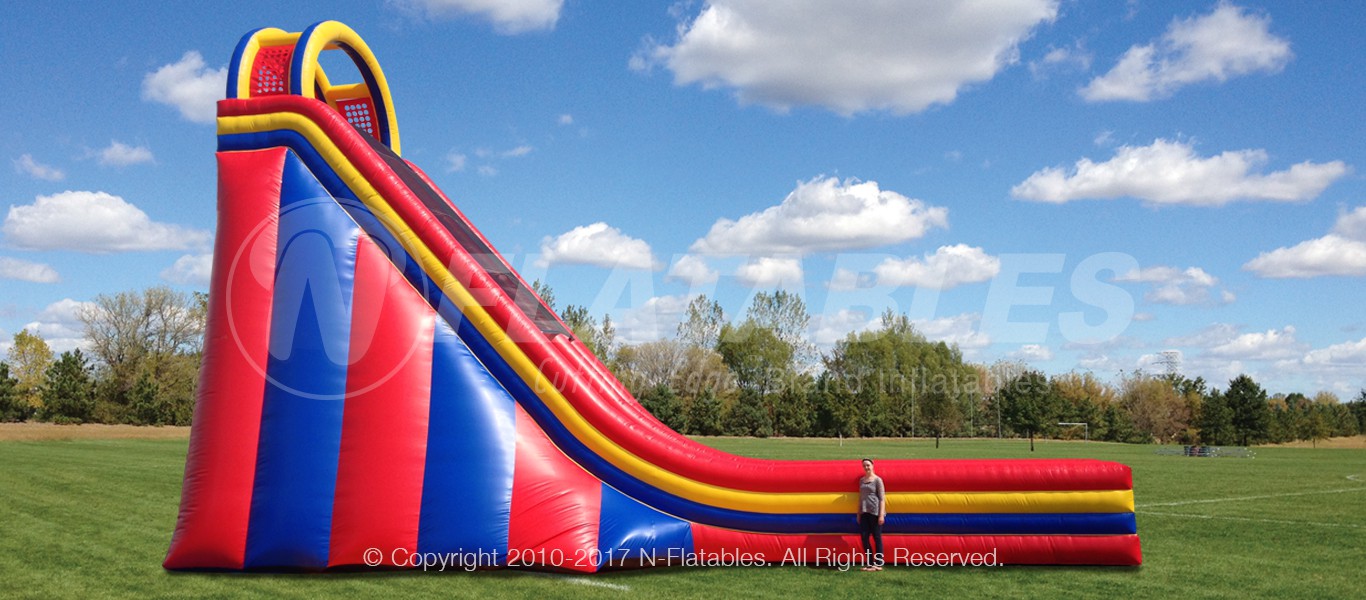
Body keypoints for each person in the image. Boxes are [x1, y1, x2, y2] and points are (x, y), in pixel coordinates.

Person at [857, 457, 886, 571]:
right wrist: (858, 512)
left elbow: (882, 498)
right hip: (864, 511)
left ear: (873, 466)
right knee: (864, 537)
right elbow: (861, 497)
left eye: (868, 465)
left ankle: (878, 564)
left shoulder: (878, 480)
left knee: (877, 537)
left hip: (875, 512)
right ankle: (869, 563)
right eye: (864, 465)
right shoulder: (861, 480)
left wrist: (881, 515)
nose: (866, 467)